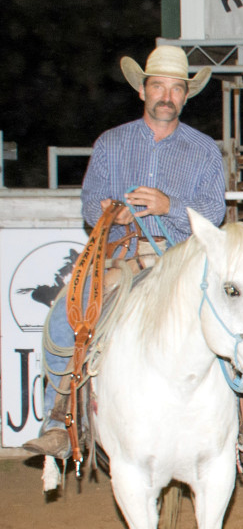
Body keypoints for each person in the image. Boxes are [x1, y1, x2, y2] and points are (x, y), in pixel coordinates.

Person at [24, 45, 226, 460]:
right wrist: (105, 210)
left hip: (181, 261)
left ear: (185, 96)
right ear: (143, 91)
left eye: (176, 89)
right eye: (158, 87)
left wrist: (169, 206)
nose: (166, 96)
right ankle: (58, 418)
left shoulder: (204, 149)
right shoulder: (110, 143)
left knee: (234, 319)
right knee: (65, 316)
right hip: (121, 259)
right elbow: (90, 199)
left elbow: (215, 211)